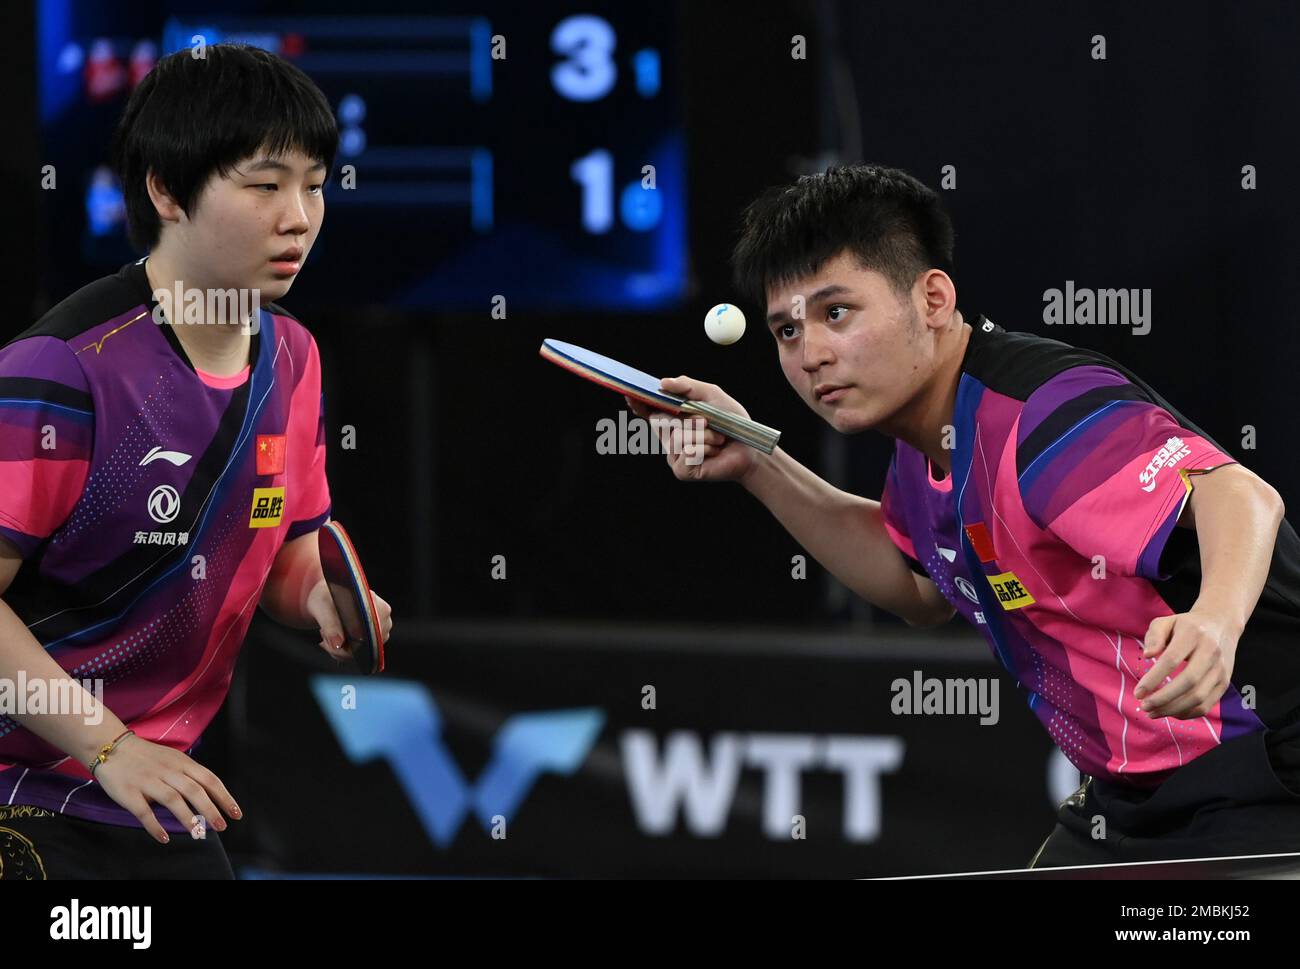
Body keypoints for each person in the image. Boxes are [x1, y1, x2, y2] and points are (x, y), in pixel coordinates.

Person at [629, 164, 1300, 868]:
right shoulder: (924, 448)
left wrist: (1214, 622)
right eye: (786, 330)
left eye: (836, 313)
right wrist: (755, 462)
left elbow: (1238, 492)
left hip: (1267, 771)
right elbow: (917, 585)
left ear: (934, 299)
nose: (812, 354)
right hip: (1131, 796)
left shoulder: (1040, 415)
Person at [0, 43, 392, 879]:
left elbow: (281, 541)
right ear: (167, 191)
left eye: (315, 185)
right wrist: (110, 747)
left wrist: (319, 595)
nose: (299, 217)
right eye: (264, 184)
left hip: (162, 796)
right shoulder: (62, 370)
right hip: (25, 788)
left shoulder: (294, 358)